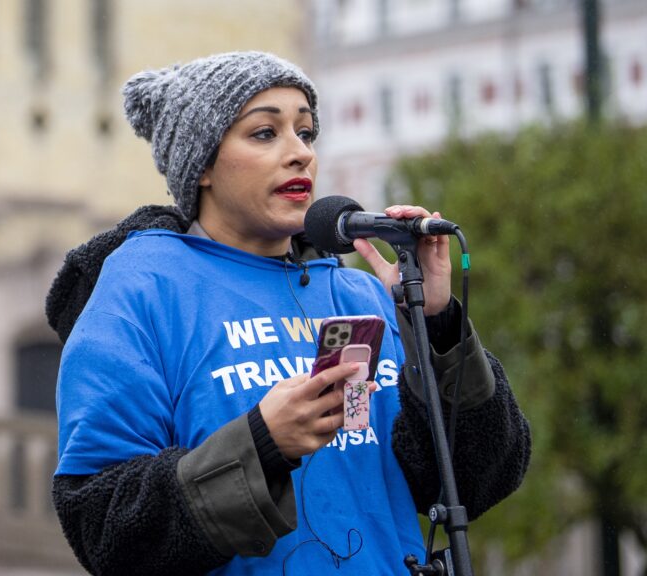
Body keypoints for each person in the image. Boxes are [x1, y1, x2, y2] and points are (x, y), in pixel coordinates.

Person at [45, 51, 530, 575]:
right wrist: (261, 443)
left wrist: (433, 322)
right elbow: (104, 527)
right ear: (202, 163)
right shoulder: (141, 288)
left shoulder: (362, 297)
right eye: (264, 133)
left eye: (306, 132)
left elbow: (481, 478)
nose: (300, 153)